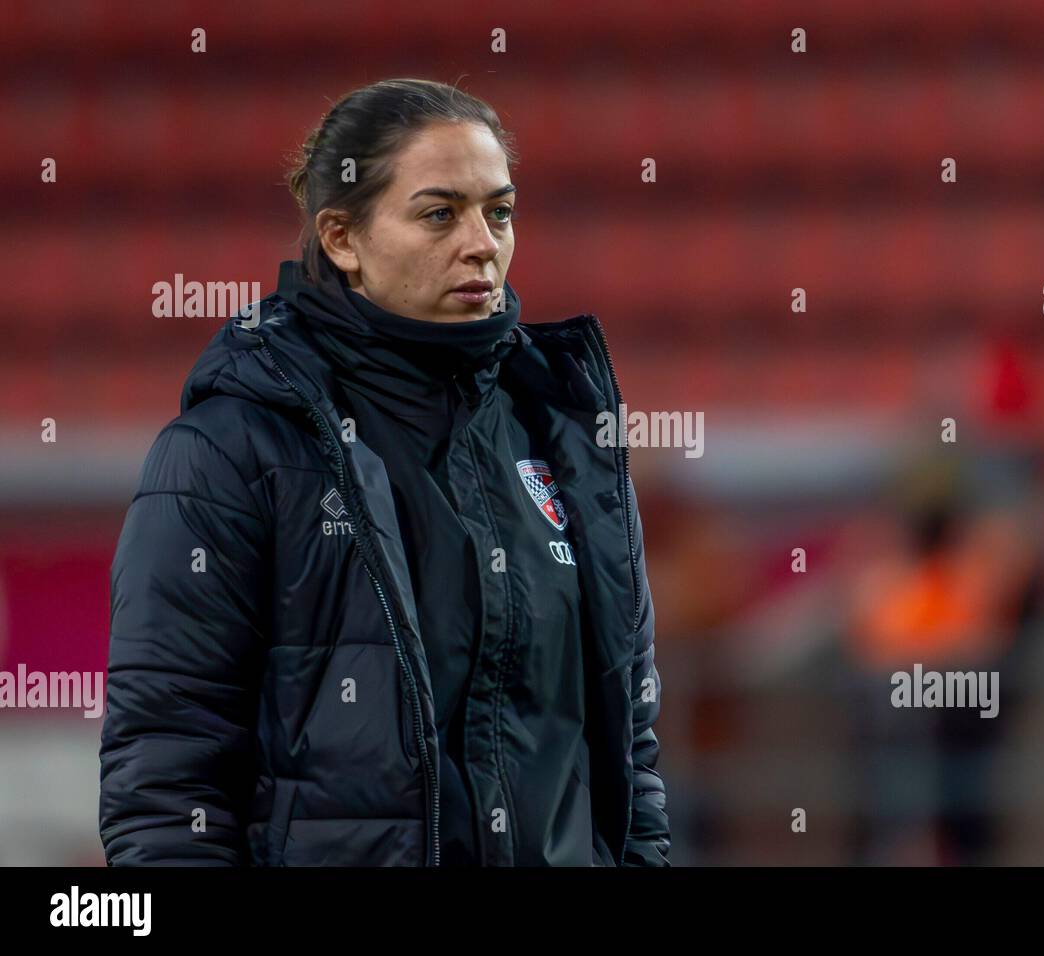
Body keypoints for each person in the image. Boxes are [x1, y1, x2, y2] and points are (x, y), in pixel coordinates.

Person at [98, 78, 669, 867]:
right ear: (341, 237)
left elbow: (629, 749)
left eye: (498, 211)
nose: (482, 243)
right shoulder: (228, 451)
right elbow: (165, 774)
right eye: (440, 214)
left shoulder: (565, 430)